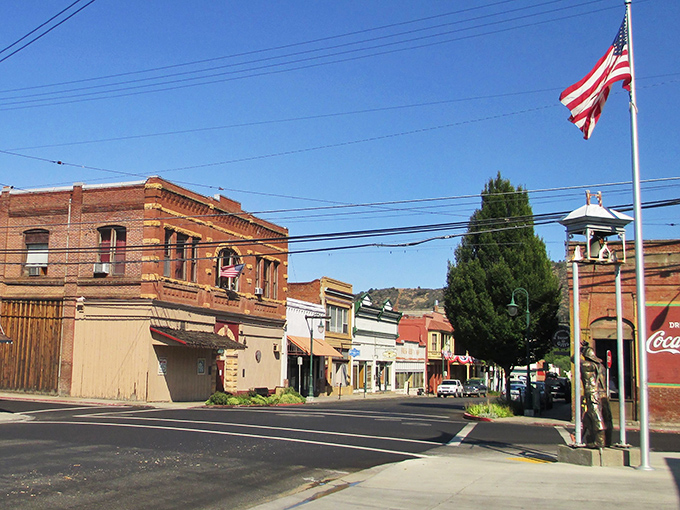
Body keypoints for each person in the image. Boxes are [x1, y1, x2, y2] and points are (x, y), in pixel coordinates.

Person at [580, 341, 613, 448]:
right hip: (603, 392)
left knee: (596, 415)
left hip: (592, 392)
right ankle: (607, 440)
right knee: (606, 416)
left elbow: (574, 359)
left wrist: (582, 349)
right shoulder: (601, 366)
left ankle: (599, 441)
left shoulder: (586, 365)